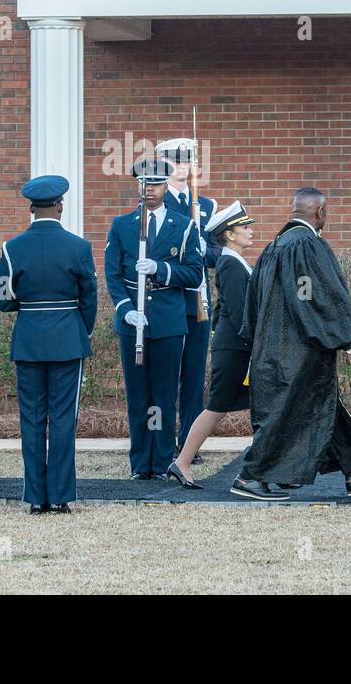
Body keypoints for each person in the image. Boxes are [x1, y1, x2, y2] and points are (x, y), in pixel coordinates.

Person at [234, 187, 351, 502]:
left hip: (273, 350)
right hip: (300, 352)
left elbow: (253, 303)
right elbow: (319, 297)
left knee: (321, 407)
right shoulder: (307, 245)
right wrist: (350, 343)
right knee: (283, 415)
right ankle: (249, 477)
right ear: (320, 213)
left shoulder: (273, 246)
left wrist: (258, 341)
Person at [0, 175, 97, 513]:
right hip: (68, 338)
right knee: (64, 420)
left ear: (31, 209)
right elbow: (89, 299)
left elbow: (4, 300)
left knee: (33, 419)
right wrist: (81, 331)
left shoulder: (12, 248)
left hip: (28, 340)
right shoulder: (79, 247)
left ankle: (36, 499)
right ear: (60, 206)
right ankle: (61, 497)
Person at [104, 159, 203, 481]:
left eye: (156, 185)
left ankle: (160, 461)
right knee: (137, 395)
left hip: (167, 323)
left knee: (162, 394)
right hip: (133, 322)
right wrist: (123, 308)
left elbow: (194, 273)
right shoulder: (122, 225)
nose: (150, 190)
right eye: (144, 184)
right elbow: (113, 273)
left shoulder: (183, 225)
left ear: (165, 187)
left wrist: (161, 270)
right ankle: (139, 463)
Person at [167, 200, 254, 489]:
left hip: (237, 347)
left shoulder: (235, 261)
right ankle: (182, 463)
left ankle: (262, 467)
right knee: (216, 406)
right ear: (229, 235)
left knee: (259, 406)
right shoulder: (230, 263)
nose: (250, 232)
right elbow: (241, 313)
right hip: (234, 350)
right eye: (244, 227)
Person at [155, 138, 217, 464]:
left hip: (198, 302)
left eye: (187, 160)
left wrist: (208, 252)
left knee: (193, 376)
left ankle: (188, 445)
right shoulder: (156, 203)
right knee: (167, 375)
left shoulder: (206, 205)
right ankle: (163, 443)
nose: (181, 166)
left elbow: (219, 252)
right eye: (174, 160)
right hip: (169, 301)